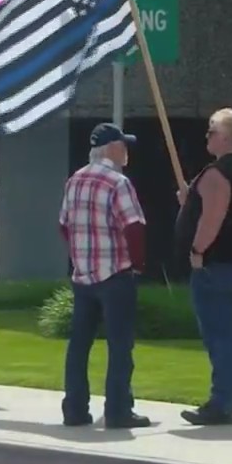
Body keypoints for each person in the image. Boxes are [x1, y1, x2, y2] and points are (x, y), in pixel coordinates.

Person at [59, 123, 150, 429]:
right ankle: (118, 410)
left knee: (79, 345)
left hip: (83, 275)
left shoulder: (75, 180)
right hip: (115, 274)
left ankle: (74, 409)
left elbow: (64, 225)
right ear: (112, 149)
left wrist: (80, 254)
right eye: (123, 146)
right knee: (120, 346)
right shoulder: (118, 182)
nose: (126, 152)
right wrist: (138, 264)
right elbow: (134, 227)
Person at [177, 108, 232, 427]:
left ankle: (221, 402)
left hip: (216, 265)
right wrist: (189, 202)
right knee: (229, 335)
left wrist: (197, 250)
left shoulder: (217, 174)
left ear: (226, 138)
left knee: (219, 337)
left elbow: (213, 217)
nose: (207, 136)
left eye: (212, 131)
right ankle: (229, 401)